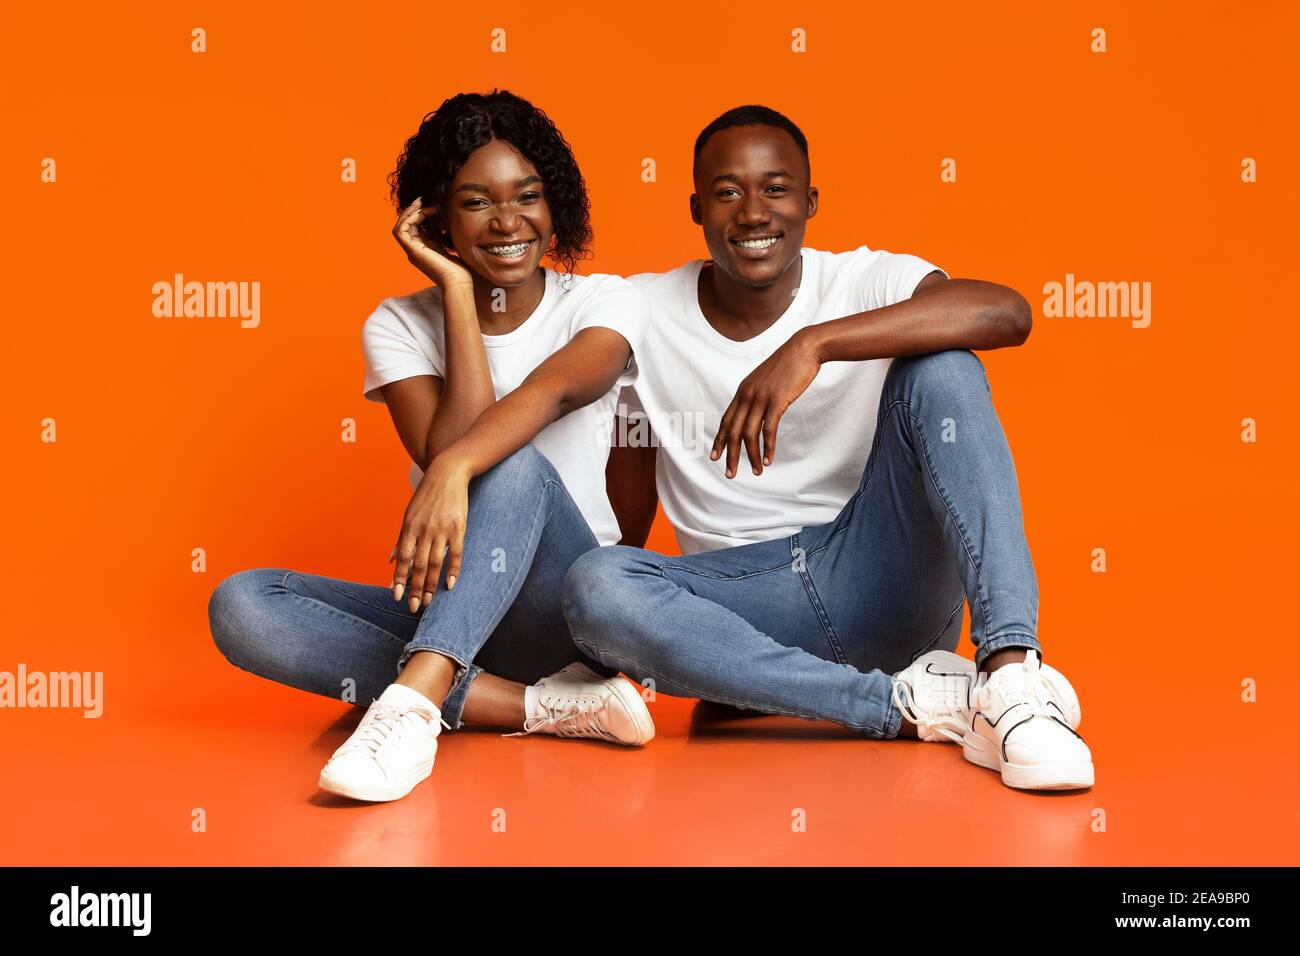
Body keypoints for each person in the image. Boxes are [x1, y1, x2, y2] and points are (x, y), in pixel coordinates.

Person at [561, 105, 1094, 791]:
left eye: (776, 188)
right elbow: (624, 480)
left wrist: (813, 343)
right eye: (728, 192)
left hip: (881, 577)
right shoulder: (642, 306)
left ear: (810, 201)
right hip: (743, 608)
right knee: (596, 581)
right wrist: (612, 622)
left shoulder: (862, 282)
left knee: (943, 365)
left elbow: (1007, 312)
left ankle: (1011, 679)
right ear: (696, 207)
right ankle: (906, 708)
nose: (754, 212)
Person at [208, 90, 654, 804]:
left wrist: (451, 466)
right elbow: (453, 437)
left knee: (509, 460)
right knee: (243, 604)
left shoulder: (605, 302)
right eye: (476, 203)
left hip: (565, 610)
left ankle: (414, 710)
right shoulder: (397, 323)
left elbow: (549, 399)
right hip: (456, 608)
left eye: (527, 196)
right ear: (438, 217)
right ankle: (543, 707)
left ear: (555, 203)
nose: (508, 223)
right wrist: (453, 286)